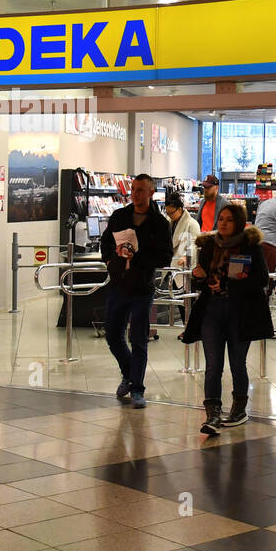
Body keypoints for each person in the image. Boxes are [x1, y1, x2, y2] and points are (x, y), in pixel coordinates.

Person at [182, 205, 273, 435]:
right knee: (213, 365)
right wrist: (199, 276)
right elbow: (202, 281)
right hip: (212, 311)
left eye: (229, 220)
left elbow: (261, 279)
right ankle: (212, 414)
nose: (222, 224)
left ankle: (238, 410)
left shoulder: (251, 247)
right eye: (220, 219)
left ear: (239, 222)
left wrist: (229, 285)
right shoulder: (208, 246)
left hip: (241, 312)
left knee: (237, 363)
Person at [101, 174, 172, 408]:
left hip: (142, 287)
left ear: (151, 193)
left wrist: (139, 256)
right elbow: (106, 242)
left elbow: (165, 257)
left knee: (138, 339)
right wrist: (109, 261)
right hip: (118, 285)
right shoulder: (120, 216)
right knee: (112, 336)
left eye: (141, 190)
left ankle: (137, 389)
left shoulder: (160, 223)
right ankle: (129, 374)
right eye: (134, 189)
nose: (136, 193)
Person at [164, 194, 201, 267]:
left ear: (180, 209)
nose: (169, 216)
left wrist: (187, 256)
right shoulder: (168, 222)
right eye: (167, 213)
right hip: (169, 264)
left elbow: (194, 245)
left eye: (171, 213)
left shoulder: (192, 224)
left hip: (182, 266)